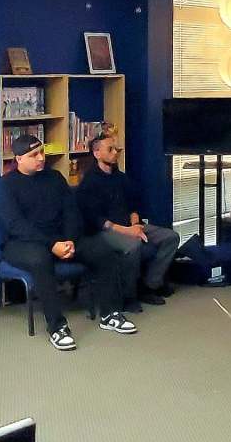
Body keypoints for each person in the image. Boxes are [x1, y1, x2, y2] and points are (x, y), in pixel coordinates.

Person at [0, 134, 137, 349]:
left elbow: (72, 212)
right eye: (34, 155)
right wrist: (52, 245)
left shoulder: (55, 178)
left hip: (61, 240)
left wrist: (69, 240)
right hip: (22, 244)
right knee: (41, 259)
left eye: (42, 152)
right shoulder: (5, 186)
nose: (41, 158)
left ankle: (110, 314)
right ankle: (57, 327)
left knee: (102, 250)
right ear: (19, 159)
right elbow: (16, 226)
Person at [77, 132, 180, 309]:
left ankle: (150, 285)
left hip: (129, 225)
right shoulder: (89, 182)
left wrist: (134, 225)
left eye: (116, 149)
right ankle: (127, 297)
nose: (115, 152)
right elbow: (98, 220)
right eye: (110, 149)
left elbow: (133, 205)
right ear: (97, 153)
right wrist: (128, 231)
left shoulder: (121, 177)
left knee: (171, 237)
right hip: (105, 231)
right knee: (133, 246)